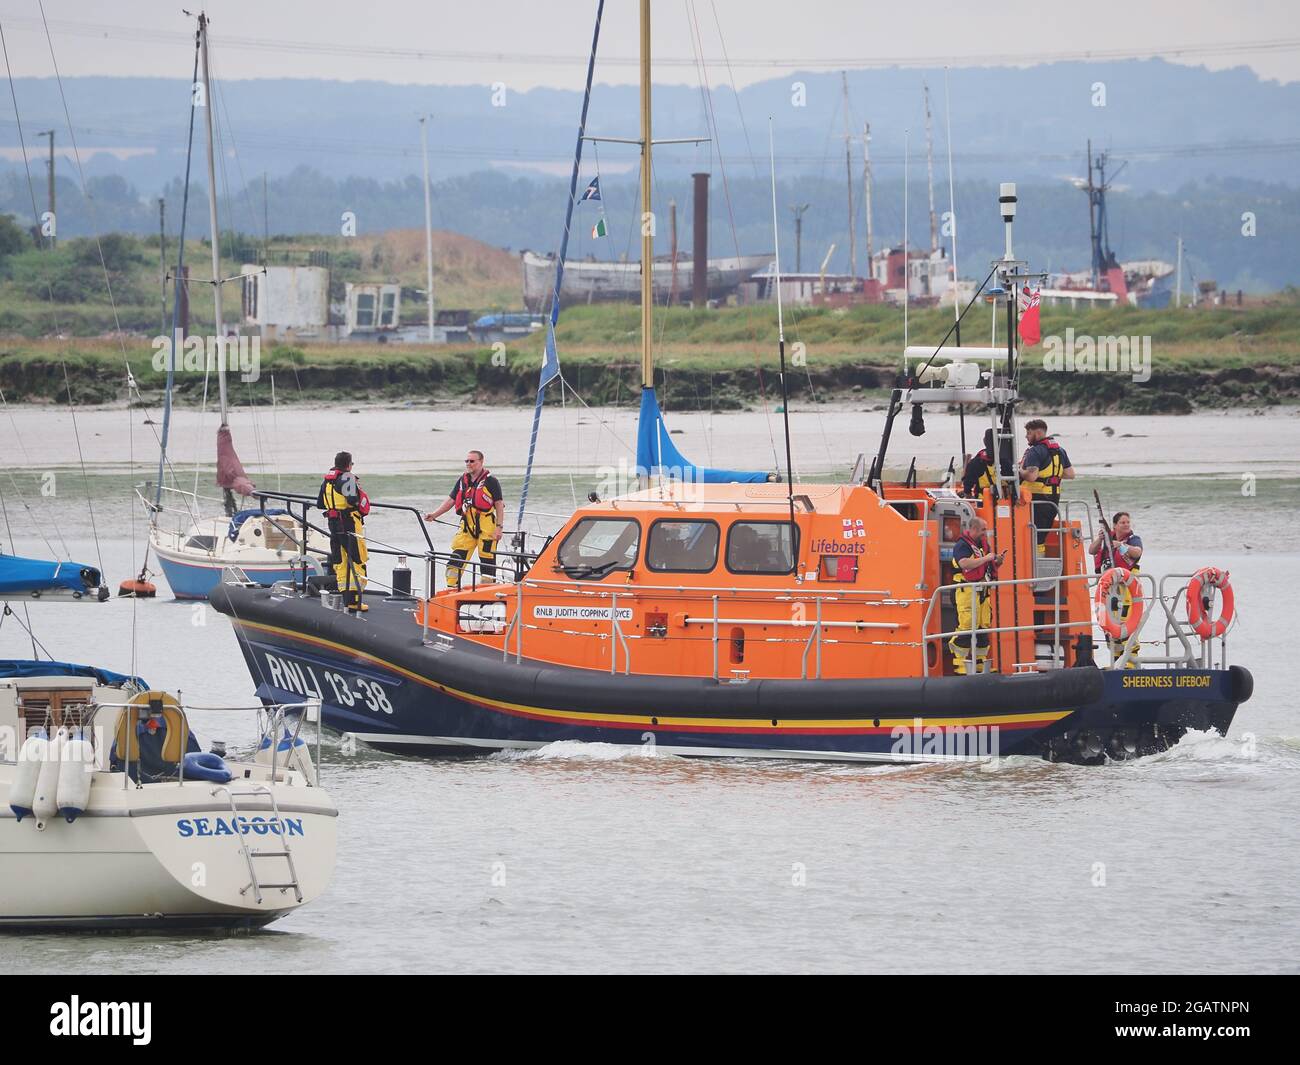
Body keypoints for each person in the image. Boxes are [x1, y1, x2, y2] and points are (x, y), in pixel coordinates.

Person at [424, 450, 505, 589]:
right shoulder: (463, 480)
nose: (469, 464)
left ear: (481, 462)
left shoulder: (491, 481)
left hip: (487, 526)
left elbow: (499, 504)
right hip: (467, 526)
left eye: (472, 461)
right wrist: (435, 515)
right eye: (466, 461)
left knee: (487, 560)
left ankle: (486, 592)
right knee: (455, 559)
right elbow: (451, 500)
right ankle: (451, 589)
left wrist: (499, 527)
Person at [948, 516, 1004, 675]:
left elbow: (986, 564)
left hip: (982, 591)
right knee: (966, 625)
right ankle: (960, 664)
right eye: (983, 530)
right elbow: (964, 563)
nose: (985, 533)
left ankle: (980, 664)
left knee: (982, 626)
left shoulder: (982, 545)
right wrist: (987, 558)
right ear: (973, 529)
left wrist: (997, 561)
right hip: (965, 591)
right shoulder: (962, 545)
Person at [1090, 511, 1144, 665]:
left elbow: (1137, 552)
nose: (1126, 525)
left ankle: (1130, 663)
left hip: (1127, 593)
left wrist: (1121, 545)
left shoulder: (1134, 540)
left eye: (1128, 522)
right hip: (1110, 593)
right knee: (1111, 626)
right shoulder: (1107, 540)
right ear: (1115, 526)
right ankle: (1117, 661)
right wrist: (1101, 538)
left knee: (1127, 623)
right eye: (1123, 522)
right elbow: (1092, 550)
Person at [318, 451, 369, 612]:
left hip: (333, 524)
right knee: (357, 558)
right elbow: (353, 500)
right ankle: (355, 600)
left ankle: (347, 597)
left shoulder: (327, 481)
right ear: (348, 465)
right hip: (349, 523)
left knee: (340, 560)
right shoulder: (347, 477)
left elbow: (320, 504)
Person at [1018, 418, 1074, 549]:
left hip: (1036, 499)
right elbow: (1070, 474)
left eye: (1029, 433)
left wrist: (1020, 470)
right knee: (1041, 536)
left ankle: (1033, 565)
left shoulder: (1035, 451)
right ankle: (1040, 560)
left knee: (1032, 535)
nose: (1026, 436)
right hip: (1054, 499)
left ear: (1037, 433)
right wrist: (1051, 475)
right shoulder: (1060, 451)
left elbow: (1031, 476)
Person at [960, 429, 998, 498]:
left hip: (984, 503)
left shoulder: (976, 462)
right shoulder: (1008, 461)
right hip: (1006, 501)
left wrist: (967, 494)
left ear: (985, 442)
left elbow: (967, 487)